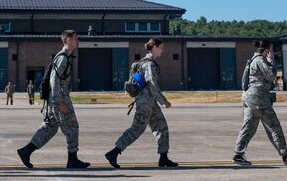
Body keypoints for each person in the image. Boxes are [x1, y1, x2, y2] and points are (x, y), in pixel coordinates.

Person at [17, 30, 90, 170]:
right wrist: (60, 101)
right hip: (59, 99)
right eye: (75, 38)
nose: (78, 40)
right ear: (68, 40)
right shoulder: (62, 58)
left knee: (49, 128)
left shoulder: (64, 57)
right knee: (72, 127)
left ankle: (26, 151)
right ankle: (72, 159)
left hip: (55, 99)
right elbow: (54, 81)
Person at [106, 38, 176, 169]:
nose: (162, 51)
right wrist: (164, 101)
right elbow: (152, 84)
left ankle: (163, 157)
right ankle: (113, 153)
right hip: (145, 103)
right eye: (161, 48)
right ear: (154, 47)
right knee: (136, 130)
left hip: (150, 103)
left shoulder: (142, 63)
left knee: (161, 127)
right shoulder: (149, 64)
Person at [232, 39, 287, 166]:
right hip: (259, 99)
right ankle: (285, 155)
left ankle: (238, 154)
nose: (273, 52)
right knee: (274, 126)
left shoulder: (252, 59)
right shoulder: (261, 60)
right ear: (267, 50)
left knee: (248, 127)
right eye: (272, 49)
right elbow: (272, 75)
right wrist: (271, 61)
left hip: (249, 98)